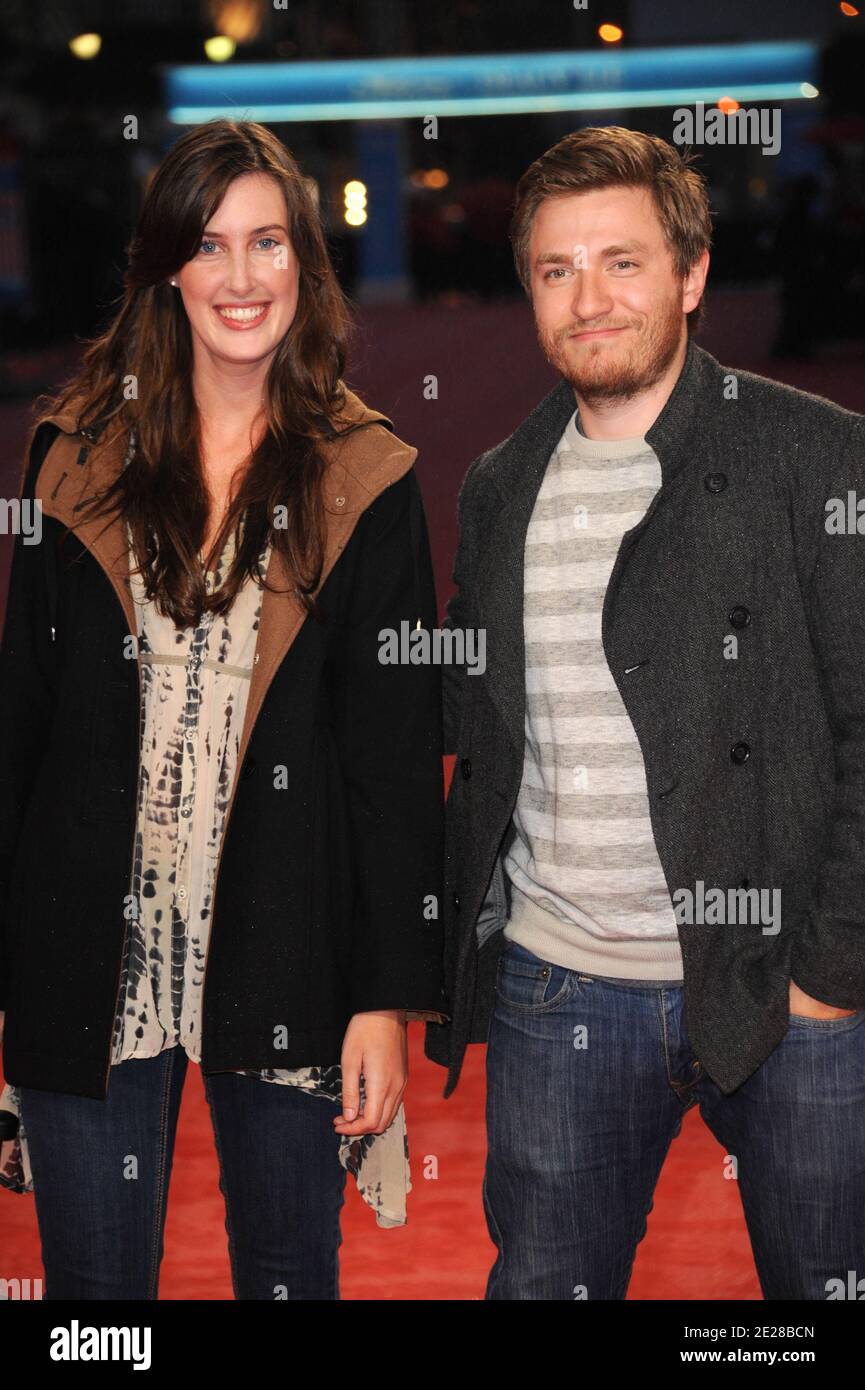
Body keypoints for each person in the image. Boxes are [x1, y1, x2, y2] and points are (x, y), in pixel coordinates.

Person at [0, 118, 447, 1300]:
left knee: (289, 1279)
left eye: (267, 243)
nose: (240, 279)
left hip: (288, 954)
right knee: (97, 1304)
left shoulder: (365, 477)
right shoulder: (74, 458)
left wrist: (382, 999)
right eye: (207, 246)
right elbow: (18, 732)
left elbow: (395, 766)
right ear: (165, 270)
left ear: (305, 260)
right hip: (87, 960)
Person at [424, 125, 865, 1300]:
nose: (590, 298)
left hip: (786, 991)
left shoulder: (816, 460)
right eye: (556, 270)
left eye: (622, 261)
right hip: (558, 984)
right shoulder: (498, 486)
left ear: (692, 273)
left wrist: (830, 972)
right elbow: (478, 727)